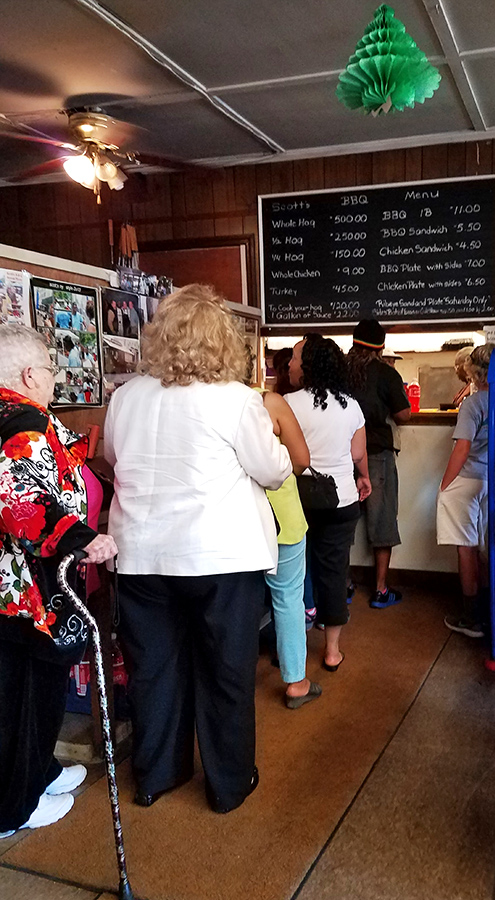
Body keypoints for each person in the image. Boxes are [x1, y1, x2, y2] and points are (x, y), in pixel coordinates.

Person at [104, 284, 292, 813]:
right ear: (223, 340)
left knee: (154, 669)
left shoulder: (126, 396)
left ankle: (155, 775)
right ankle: (227, 784)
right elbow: (273, 470)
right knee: (226, 670)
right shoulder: (236, 399)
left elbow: (115, 459)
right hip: (221, 558)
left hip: (142, 555)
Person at [0, 325, 117, 838]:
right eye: (50, 371)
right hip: (20, 594)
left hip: (22, 588)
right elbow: (20, 505)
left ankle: (39, 772)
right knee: (22, 696)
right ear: (30, 375)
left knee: (31, 692)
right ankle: (12, 808)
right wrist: (82, 537)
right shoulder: (19, 425)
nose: (53, 380)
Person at [286, 334, 370, 671]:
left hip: (296, 501)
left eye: (294, 358)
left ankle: (291, 648)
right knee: (334, 574)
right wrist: (363, 477)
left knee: (292, 575)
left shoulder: (286, 403)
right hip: (340, 500)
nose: (290, 364)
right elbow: (357, 453)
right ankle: (332, 650)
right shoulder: (350, 404)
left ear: (308, 366)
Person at [259, 390, 321, 708]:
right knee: (287, 599)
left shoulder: (204, 403)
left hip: (233, 522)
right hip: (282, 516)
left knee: (234, 605)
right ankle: (296, 681)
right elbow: (301, 460)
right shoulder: (269, 402)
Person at [346, 319, 410, 608]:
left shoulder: (339, 370)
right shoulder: (385, 373)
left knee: (343, 521)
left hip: (341, 455)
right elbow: (404, 414)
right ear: (380, 347)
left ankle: (343, 585)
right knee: (381, 519)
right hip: (375, 454)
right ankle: (380, 589)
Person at [436, 343, 495, 637]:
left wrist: (445, 484)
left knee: (466, 547)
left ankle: (471, 618)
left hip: (467, 478)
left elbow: (462, 447)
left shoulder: (473, 404)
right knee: (484, 546)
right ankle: (487, 610)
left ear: (474, 372)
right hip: (490, 479)